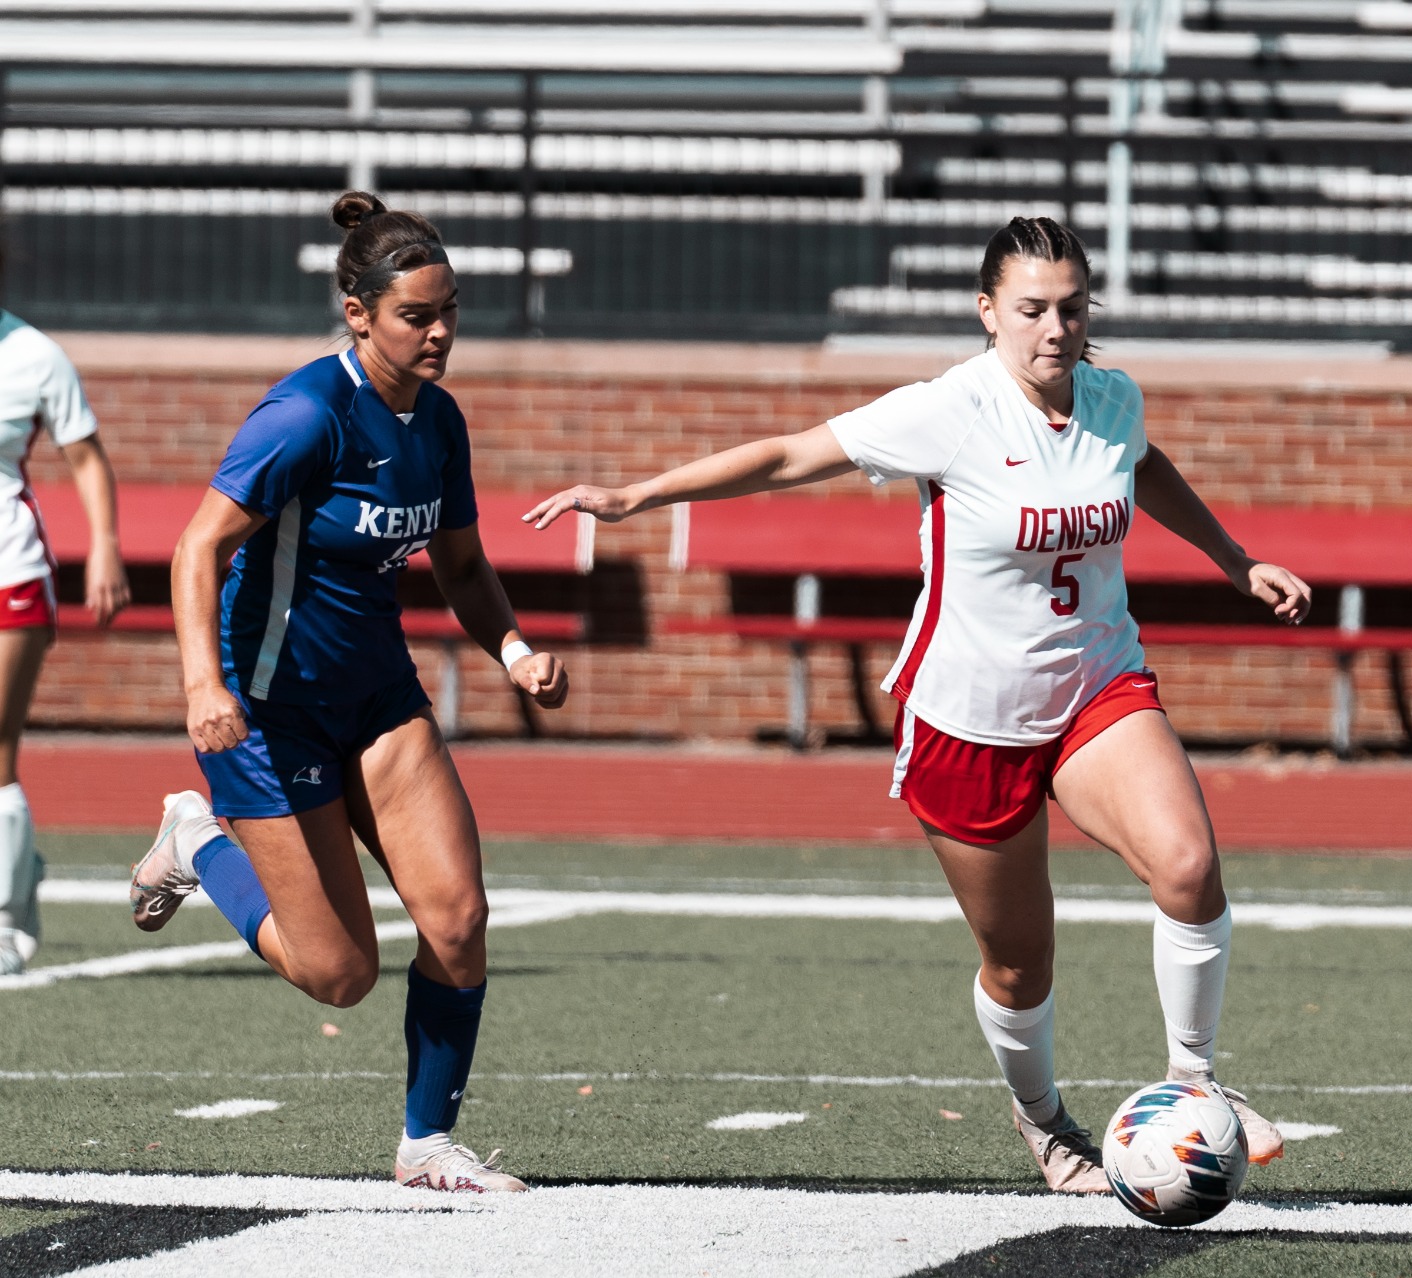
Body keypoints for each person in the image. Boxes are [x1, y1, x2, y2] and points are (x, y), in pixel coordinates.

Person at [525, 216, 1312, 1194]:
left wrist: (1233, 560)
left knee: (1189, 867)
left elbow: (1140, 464)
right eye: (1029, 309)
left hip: (1095, 690)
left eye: (1070, 308)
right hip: (966, 722)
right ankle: (1041, 1122)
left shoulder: (1112, 399)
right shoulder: (951, 410)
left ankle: (1193, 1084)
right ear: (988, 312)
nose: (1053, 329)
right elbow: (785, 455)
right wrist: (635, 496)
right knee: (1021, 967)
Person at [129, 191, 569, 1193]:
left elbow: (460, 567)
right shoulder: (303, 415)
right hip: (265, 710)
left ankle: (426, 1142)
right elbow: (199, 546)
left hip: (376, 696)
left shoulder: (438, 420)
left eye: (450, 309)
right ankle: (196, 838)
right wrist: (202, 682)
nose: (441, 331)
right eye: (419, 314)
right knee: (341, 973)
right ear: (357, 311)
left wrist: (512, 650)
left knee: (456, 918)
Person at [0, 312, 129, 973]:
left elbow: (86, 458)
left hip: (11, 570)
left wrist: (104, 547)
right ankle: (18, 866)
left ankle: (2, 922)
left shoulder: (34, 356)